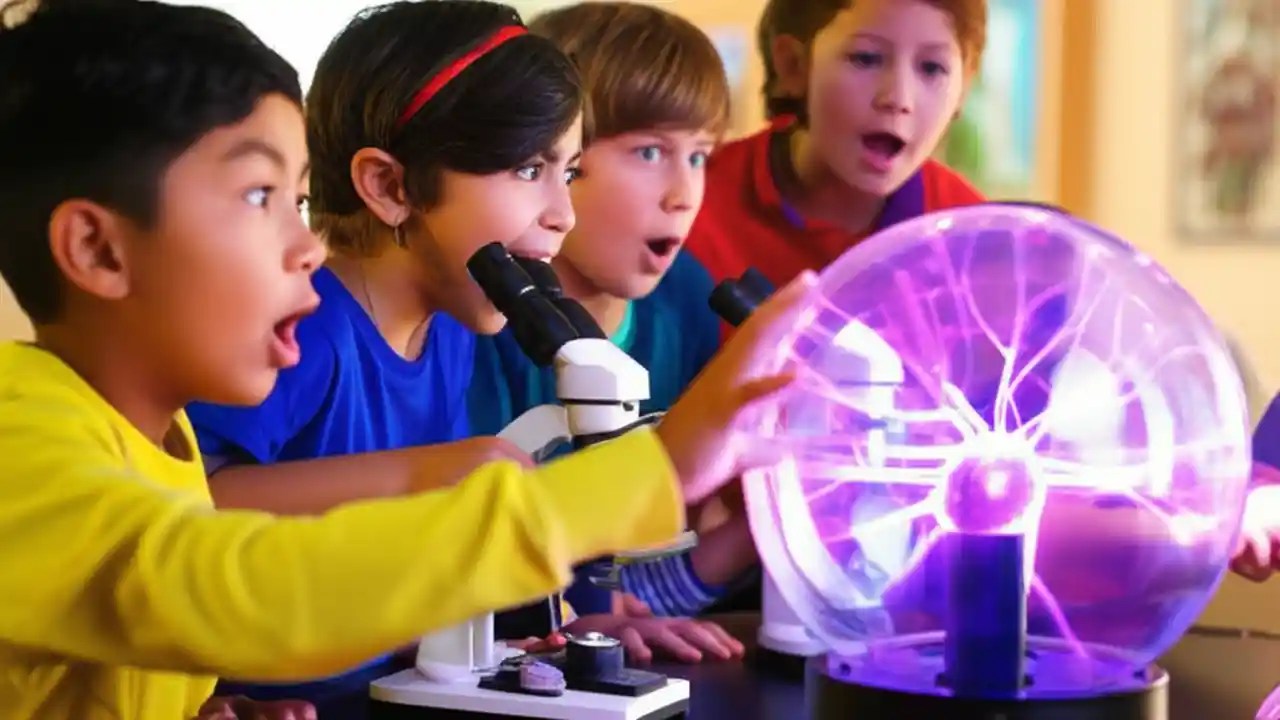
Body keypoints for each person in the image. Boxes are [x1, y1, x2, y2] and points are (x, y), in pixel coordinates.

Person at [0, 0, 817, 718]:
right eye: (259, 198)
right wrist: (657, 472)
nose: (302, 246)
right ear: (98, 249)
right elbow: (236, 589)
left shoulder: (149, 437)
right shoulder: (20, 439)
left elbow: (150, 625)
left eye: (296, 199)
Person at [181, 0, 741, 710]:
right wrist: (425, 472)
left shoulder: (451, 332)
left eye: (566, 172)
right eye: (528, 169)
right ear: (390, 186)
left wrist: (552, 623)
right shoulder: (304, 328)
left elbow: (398, 556)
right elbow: (195, 507)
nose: (561, 214)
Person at [468, 1, 758, 646]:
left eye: (700, 156)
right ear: (554, 157)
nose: (684, 193)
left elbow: (647, 543)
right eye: (650, 151)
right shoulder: (481, 320)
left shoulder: (684, 297)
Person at [686, 0, 989, 288]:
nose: (898, 98)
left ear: (963, 88)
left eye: (932, 68)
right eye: (866, 58)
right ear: (793, 66)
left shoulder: (975, 240)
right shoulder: (689, 205)